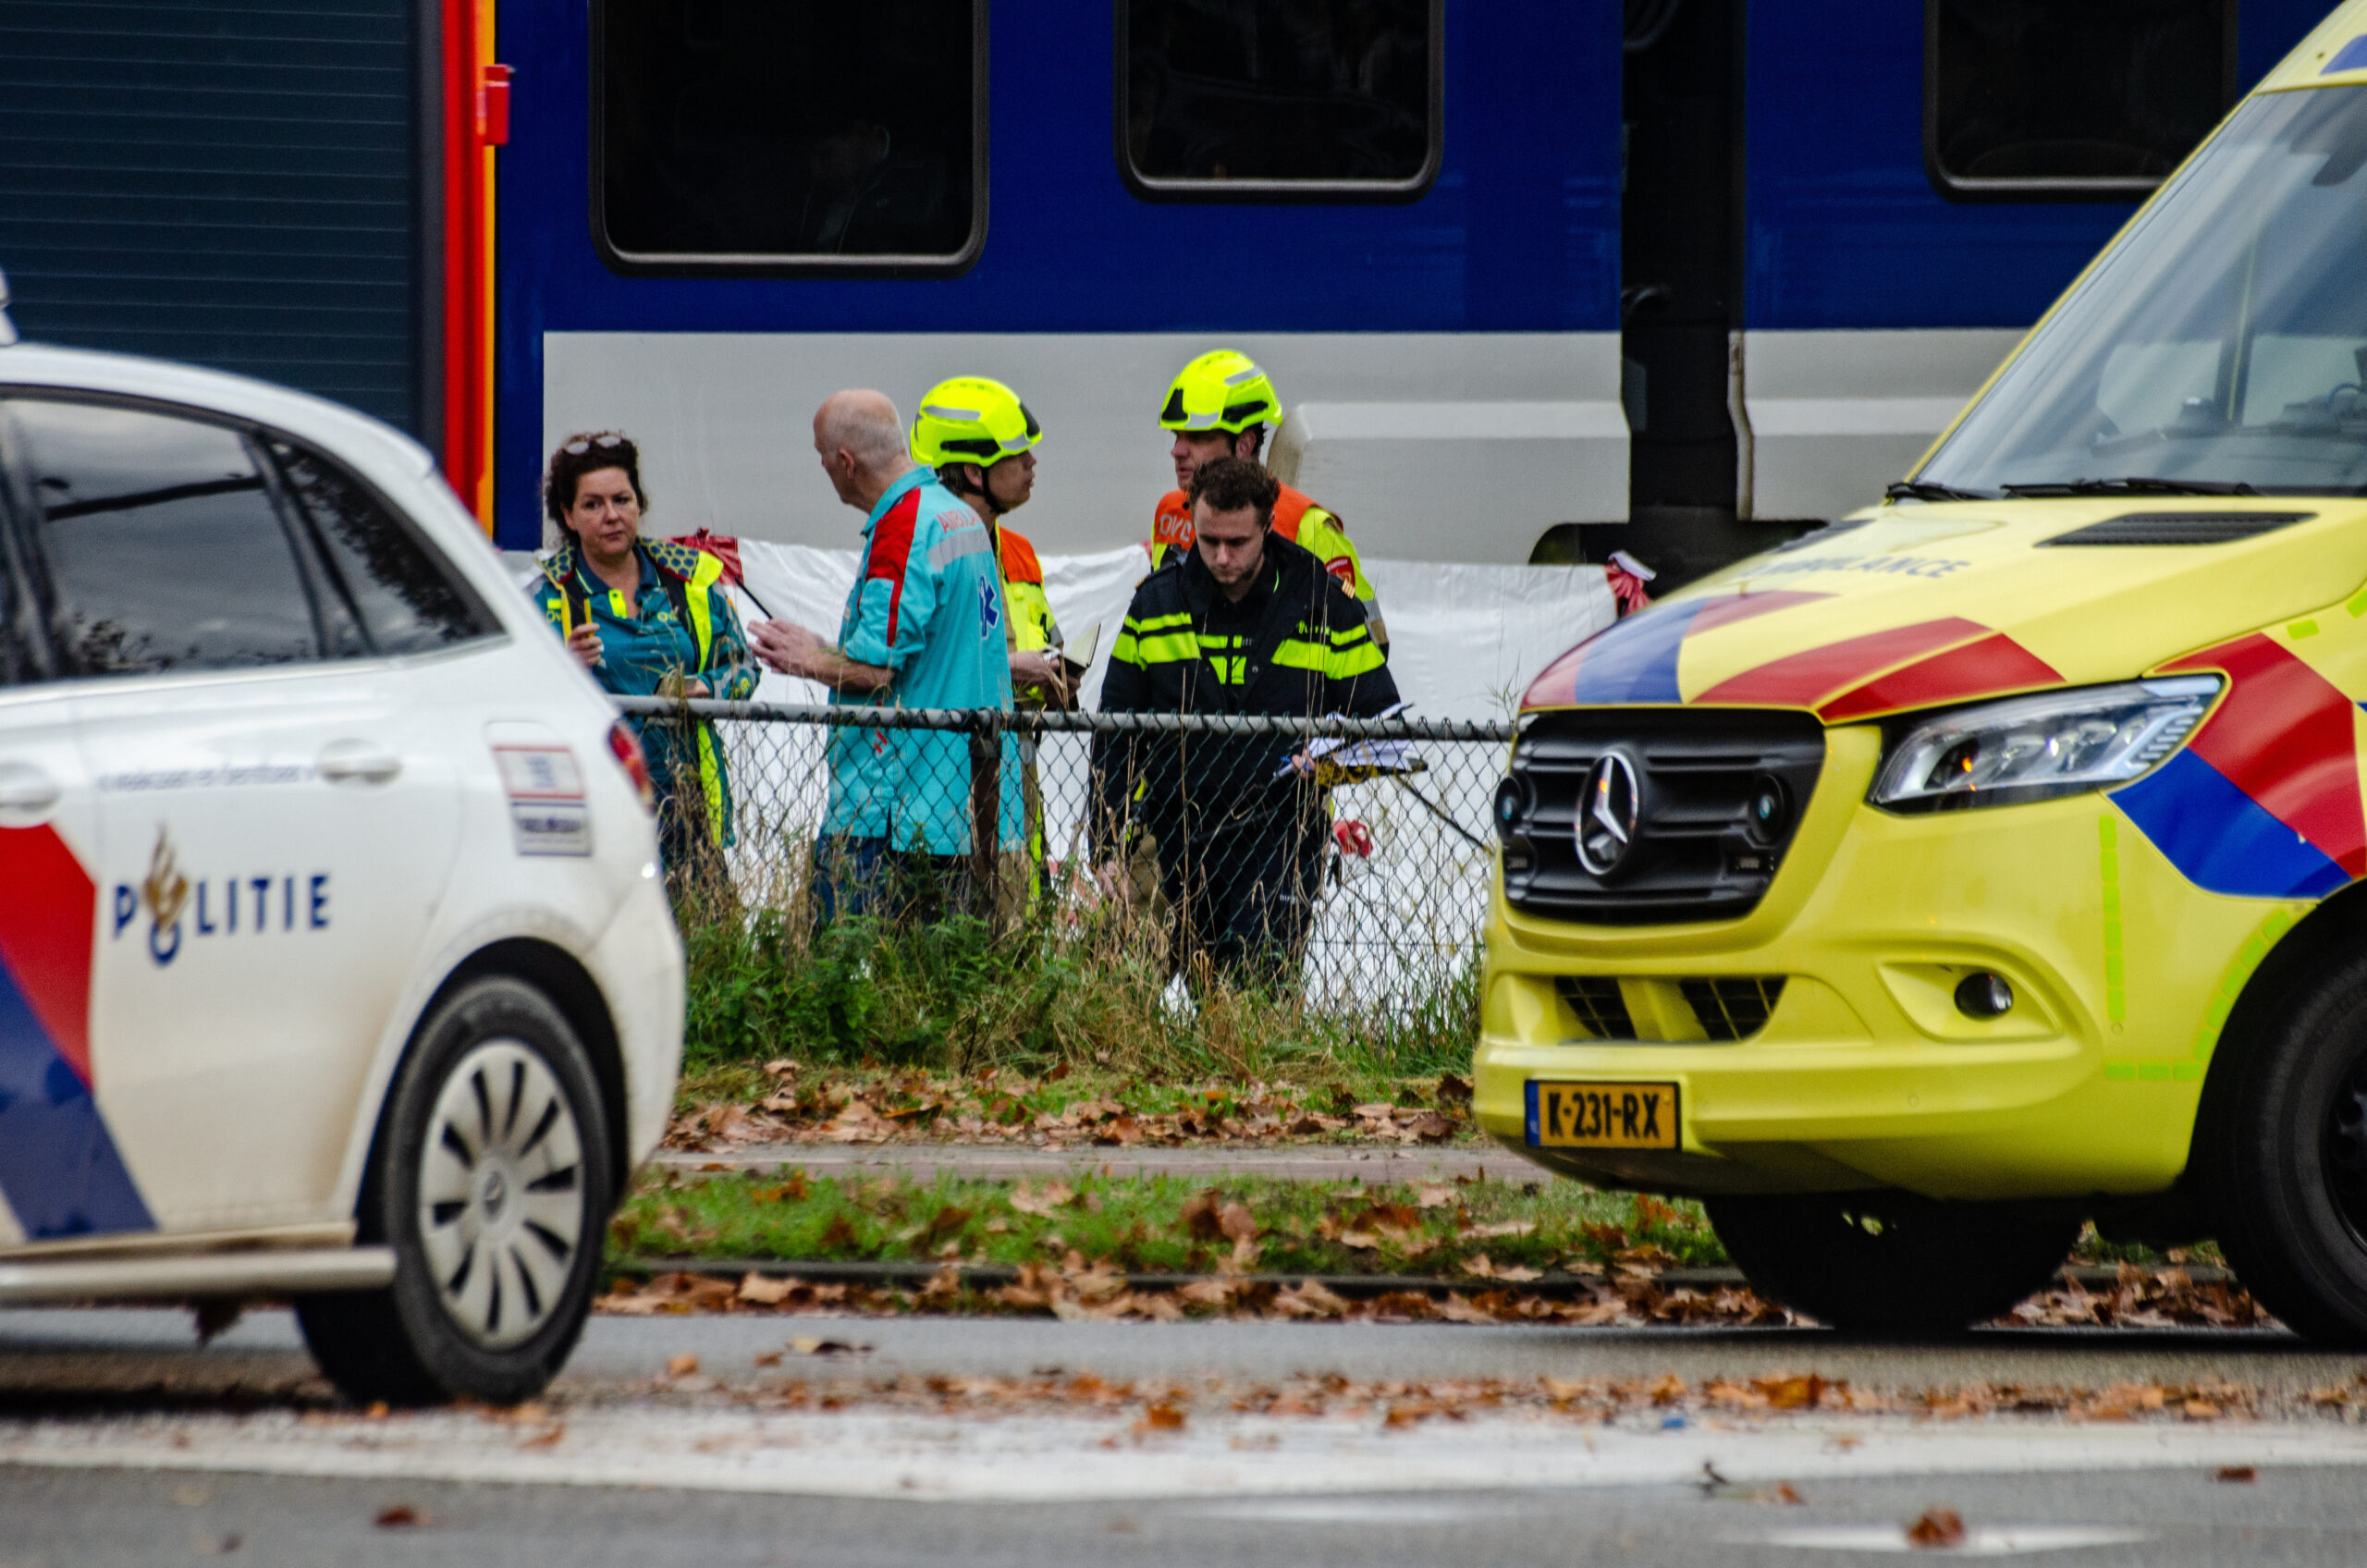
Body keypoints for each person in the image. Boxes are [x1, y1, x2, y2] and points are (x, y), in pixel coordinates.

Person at [1094, 457, 1398, 987]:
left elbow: (1385, 727)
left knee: (1252, 1003)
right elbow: (1116, 732)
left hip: (1279, 838)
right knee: (1114, 996)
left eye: (1238, 542)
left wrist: (1326, 760)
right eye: (1208, 540)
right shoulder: (1156, 602)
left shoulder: (1323, 604)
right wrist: (1104, 845)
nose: (1221, 557)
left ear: (1267, 525)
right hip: (1170, 833)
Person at [751, 390, 1021, 924]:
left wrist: (808, 658)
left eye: (823, 458)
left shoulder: (903, 526)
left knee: (847, 988)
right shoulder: (960, 518)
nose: (825, 469)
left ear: (845, 464)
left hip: (891, 813)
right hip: (957, 803)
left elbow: (879, 668)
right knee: (934, 987)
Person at [531, 431, 757, 883]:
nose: (611, 515)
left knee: (705, 947)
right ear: (568, 517)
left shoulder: (690, 581)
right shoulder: (544, 599)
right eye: (592, 504)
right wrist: (564, 668)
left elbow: (745, 668)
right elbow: (512, 697)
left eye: (622, 499)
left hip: (689, 810)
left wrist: (707, 687)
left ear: (641, 504)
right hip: (596, 808)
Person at [910, 377, 1075, 905]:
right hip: (943, 807)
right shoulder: (924, 548)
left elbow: (1043, 639)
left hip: (1017, 805)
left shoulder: (1019, 551)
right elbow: (918, 670)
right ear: (975, 471)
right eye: (1016, 454)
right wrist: (1011, 669)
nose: (1031, 463)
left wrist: (1057, 678)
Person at [1148, 349, 1388, 647]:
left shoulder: (1307, 526)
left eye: (1197, 438)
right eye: (1176, 436)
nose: (1177, 451)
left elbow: (1370, 641)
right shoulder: (1170, 513)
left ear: (1245, 444)